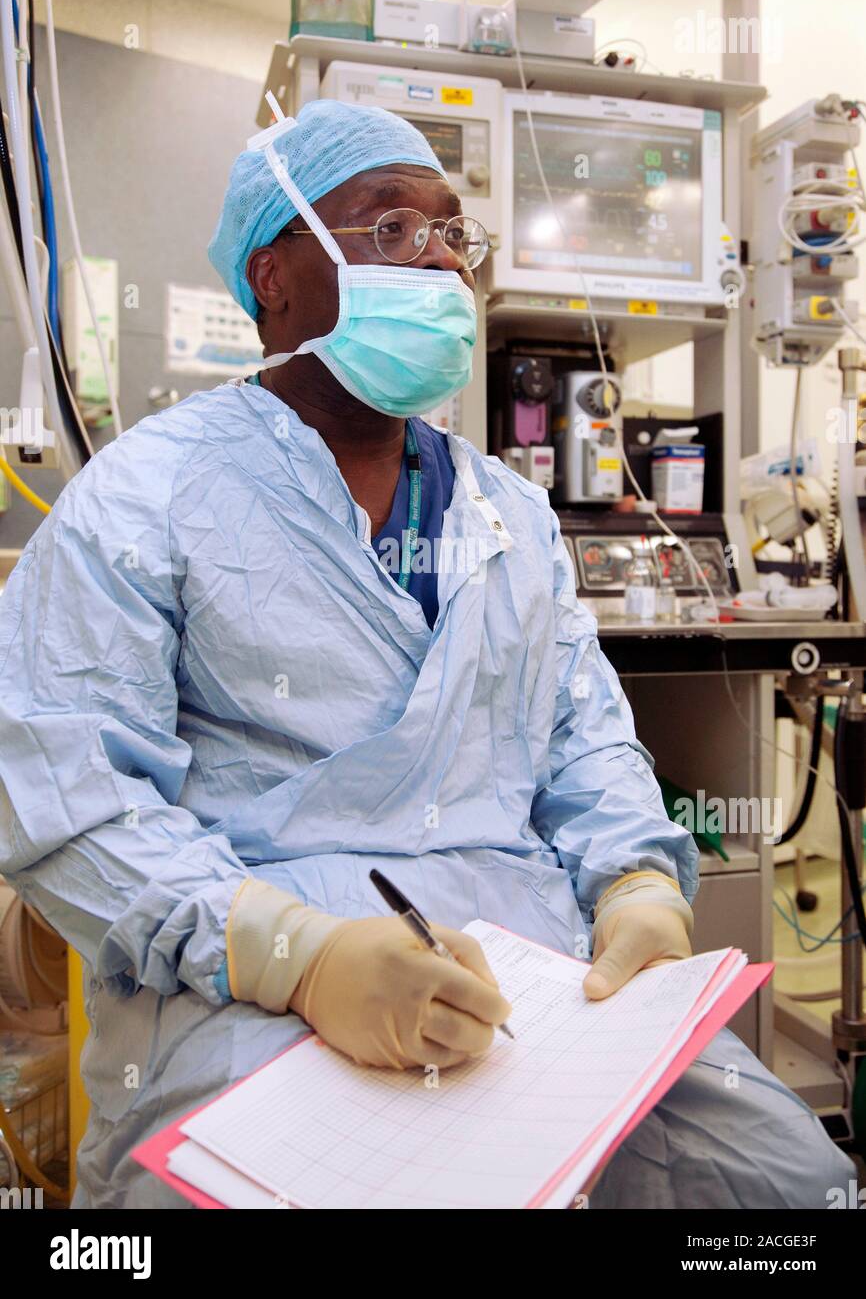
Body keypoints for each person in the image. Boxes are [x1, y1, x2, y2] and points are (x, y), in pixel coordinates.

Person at [0, 100, 854, 1209]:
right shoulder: (144, 495)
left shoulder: (508, 510)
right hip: (243, 984)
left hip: (541, 979)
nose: (443, 263)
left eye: (456, 236)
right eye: (395, 231)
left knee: (786, 1186)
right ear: (273, 275)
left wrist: (638, 885)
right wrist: (295, 956)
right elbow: (69, 797)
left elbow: (581, 737)